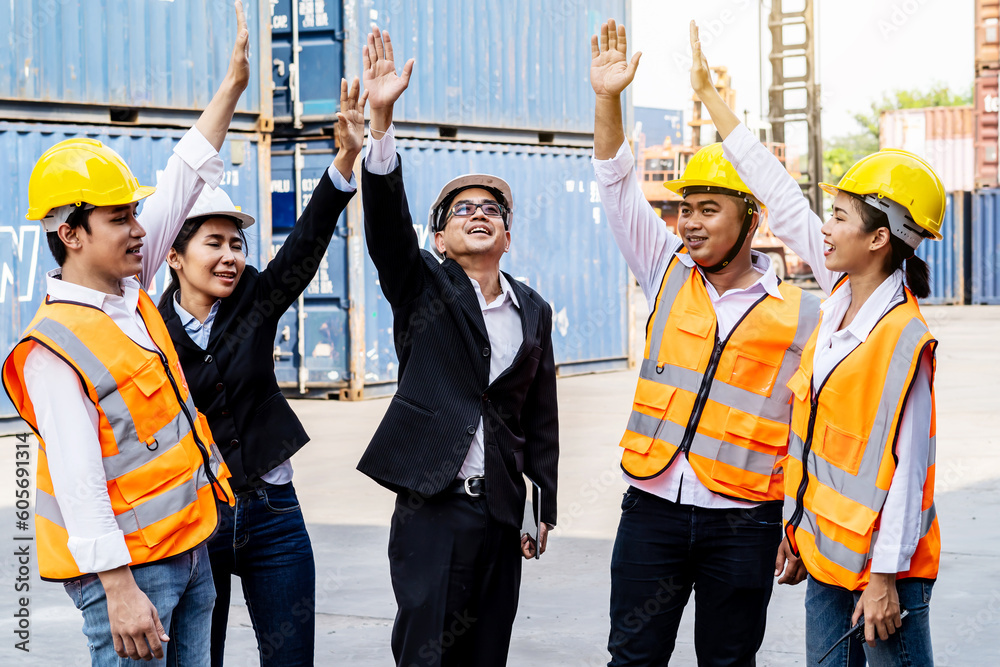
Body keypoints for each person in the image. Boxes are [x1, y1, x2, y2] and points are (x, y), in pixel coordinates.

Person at [0, 2, 252, 664]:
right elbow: (80, 480)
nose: (139, 229)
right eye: (119, 218)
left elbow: (183, 176)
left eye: (135, 214)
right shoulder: (53, 349)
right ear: (71, 232)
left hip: (189, 549)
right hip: (134, 577)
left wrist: (230, 90)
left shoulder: (130, 294)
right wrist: (118, 589)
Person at [687, 20, 943, 667]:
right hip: (825, 553)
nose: (822, 227)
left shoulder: (902, 336)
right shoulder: (835, 300)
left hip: (888, 570)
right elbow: (775, 188)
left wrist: (883, 577)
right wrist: (795, 531)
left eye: (839, 217)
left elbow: (909, 472)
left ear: (879, 238)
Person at [590, 19, 822, 666]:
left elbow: (808, 431)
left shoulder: (804, 314)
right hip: (652, 510)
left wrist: (797, 523)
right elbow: (614, 179)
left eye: (708, 208)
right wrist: (607, 99)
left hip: (745, 524)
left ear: (750, 218)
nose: (688, 222)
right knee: (632, 657)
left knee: (728, 662)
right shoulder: (663, 266)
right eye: (684, 208)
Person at [354, 25, 559, 667]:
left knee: (485, 652)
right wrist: (381, 122)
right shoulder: (422, 287)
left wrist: (542, 502)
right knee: (425, 653)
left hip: (500, 511)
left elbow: (540, 414)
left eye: (492, 208)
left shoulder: (532, 309)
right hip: (432, 505)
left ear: (507, 235)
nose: (479, 213)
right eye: (461, 208)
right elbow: (386, 230)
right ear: (440, 238)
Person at [156, 77, 366, 666]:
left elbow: (304, 246)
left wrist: (344, 159)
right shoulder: (147, 330)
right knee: (202, 657)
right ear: (174, 255)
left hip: (275, 515)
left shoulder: (253, 297)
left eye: (237, 245)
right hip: (195, 522)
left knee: (290, 658)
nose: (230, 256)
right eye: (214, 243)